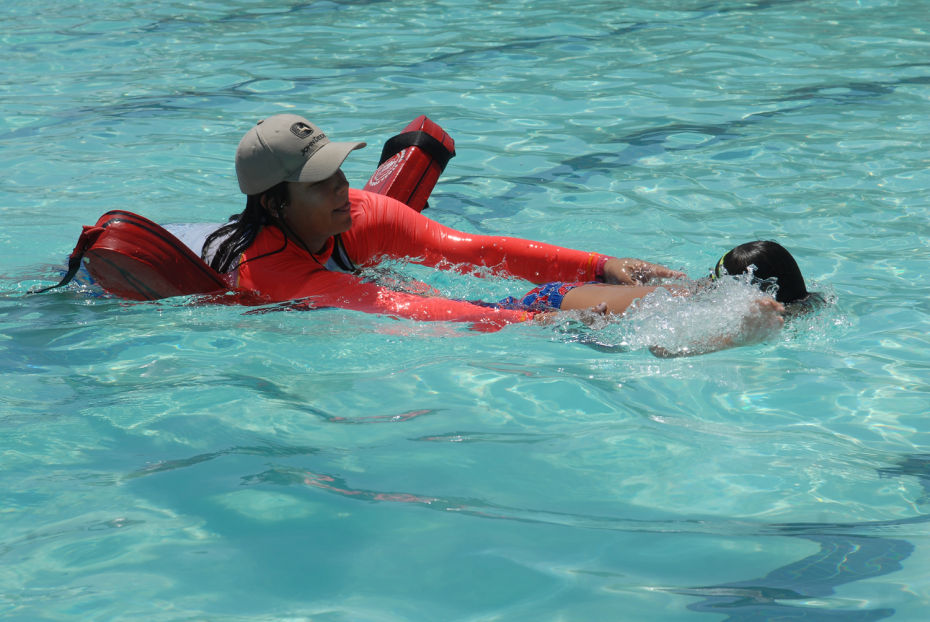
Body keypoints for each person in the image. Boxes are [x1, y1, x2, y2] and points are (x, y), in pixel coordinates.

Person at [204, 113, 689, 330]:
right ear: (273, 204)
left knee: (554, 298)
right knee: (546, 306)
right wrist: (539, 321)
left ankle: (688, 293)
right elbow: (404, 311)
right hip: (266, 299)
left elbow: (471, 250)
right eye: (317, 181)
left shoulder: (356, 212)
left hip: (356, 281)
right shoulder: (272, 273)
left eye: (338, 171)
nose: (339, 188)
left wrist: (602, 264)